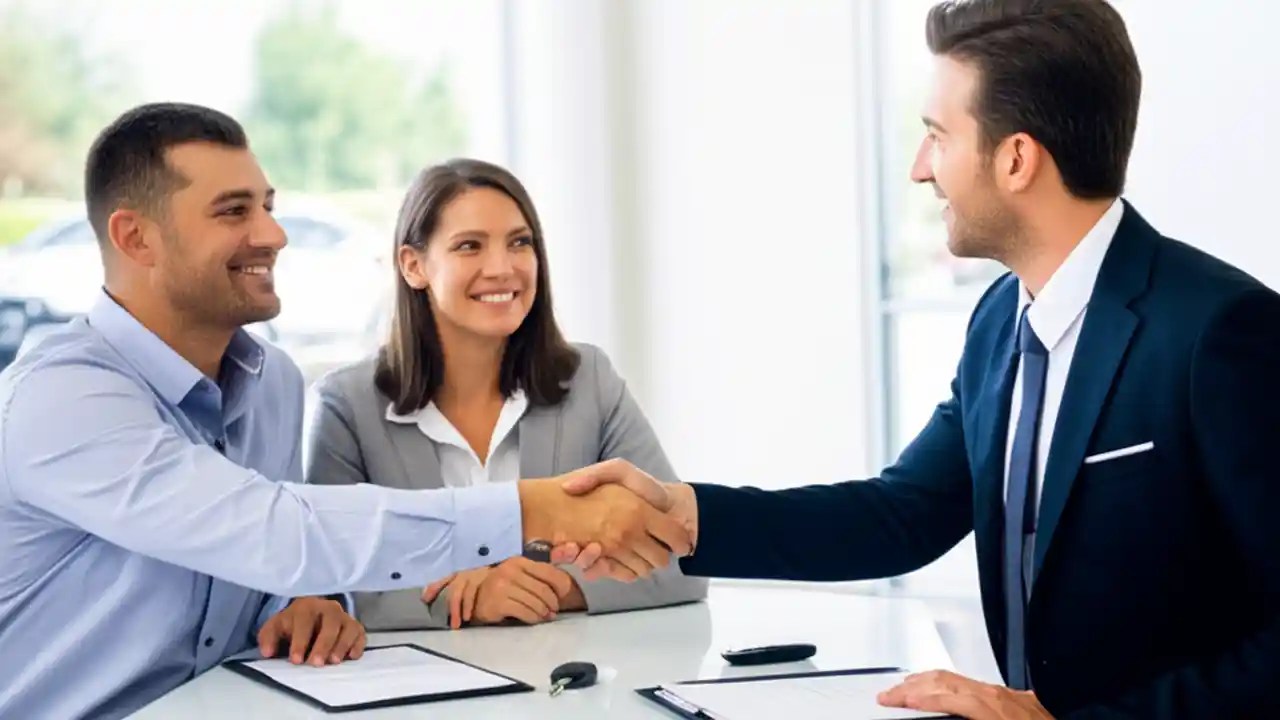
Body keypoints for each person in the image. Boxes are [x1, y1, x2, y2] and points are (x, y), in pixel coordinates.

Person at [565, 1, 1280, 717]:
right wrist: (685, 514)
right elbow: (901, 514)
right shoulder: (1001, 320)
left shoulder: (1219, 332)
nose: (919, 169)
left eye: (937, 136)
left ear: (1016, 159)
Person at [0, 103, 690, 720]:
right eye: (234, 211)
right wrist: (532, 511)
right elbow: (276, 534)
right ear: (135, 238)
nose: (274, 233)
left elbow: (276, 580)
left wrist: (304, 609)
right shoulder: (63, 398)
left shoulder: (270, 384)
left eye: (268, 204)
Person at [305, 159, 707, 630]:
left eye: (520, 243)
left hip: (565, 688)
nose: (502, 268)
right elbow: (324, 585)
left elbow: (681, 555)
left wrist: (552, 587)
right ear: (413, 266)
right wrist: (467, 599)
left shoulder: (589, 381)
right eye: (469, 246)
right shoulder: (347, 405)